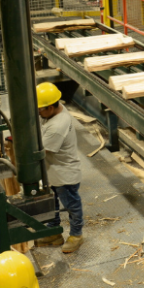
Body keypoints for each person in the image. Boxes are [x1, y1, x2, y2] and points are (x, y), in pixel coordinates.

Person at [34, 82, 85, 253]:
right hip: (53, 171)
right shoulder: (56, 109)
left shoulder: (57, 126)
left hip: (64, 174)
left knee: (72, 205)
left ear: (50, 107)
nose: (38, 112)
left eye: (40, 109)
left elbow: (40, 151)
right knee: (51, 202)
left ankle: (76, 235)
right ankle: (54, 233)